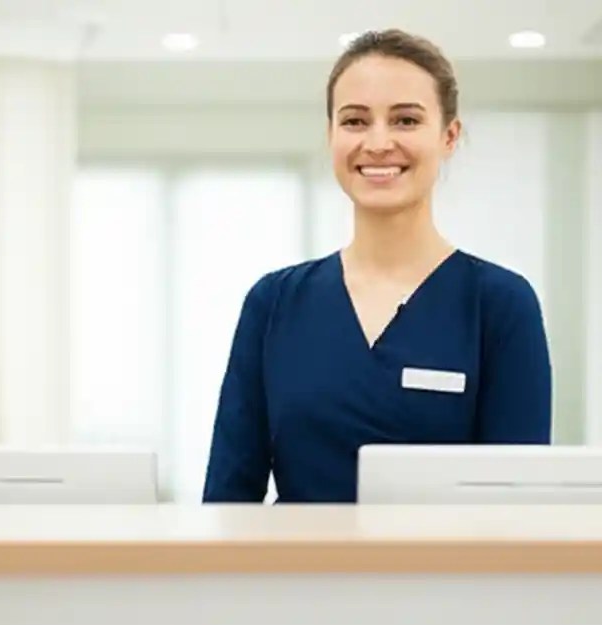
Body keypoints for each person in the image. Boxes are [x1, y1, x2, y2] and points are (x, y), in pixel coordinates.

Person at [202, 29, 552, 503]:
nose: (379, 142)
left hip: (444, 577)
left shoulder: (499, 305)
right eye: (355, 121)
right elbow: (228, 501)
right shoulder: (274, 304)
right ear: (330, 135)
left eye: (406, 120)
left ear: (449, 136)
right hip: (296, 576)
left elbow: (517, 507)